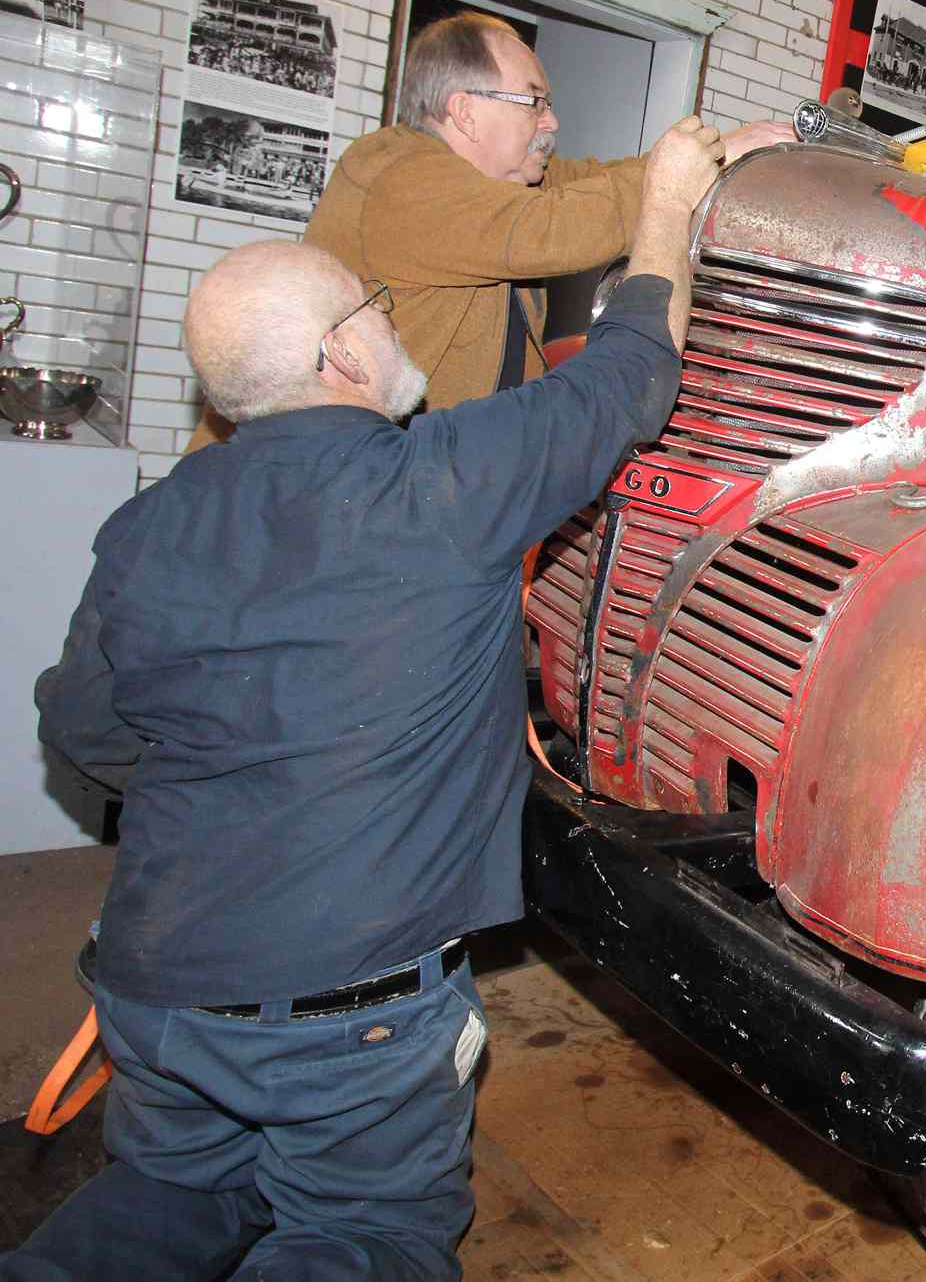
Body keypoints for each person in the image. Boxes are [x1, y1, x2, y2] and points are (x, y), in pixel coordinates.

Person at [2, 114, 722, 1282]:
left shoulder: (148, 525)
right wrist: (670, 205)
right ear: (341, 354)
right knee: (362, 1241)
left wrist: (237, 775)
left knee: (170, 1197)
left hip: (155, 984)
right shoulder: (445, 484)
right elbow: (632, 371)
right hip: (345, 1020)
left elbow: (82, 729)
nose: (393, 320)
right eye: (375, 305)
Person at [185, 10, 786, 448]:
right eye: (533, 101)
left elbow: (599, 182)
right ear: (465, 111)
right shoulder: (400, 174)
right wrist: (703, 163)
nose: (551, 121)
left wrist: (716, 154)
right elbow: (555, 227)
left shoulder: (494, 184)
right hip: (308, 496)